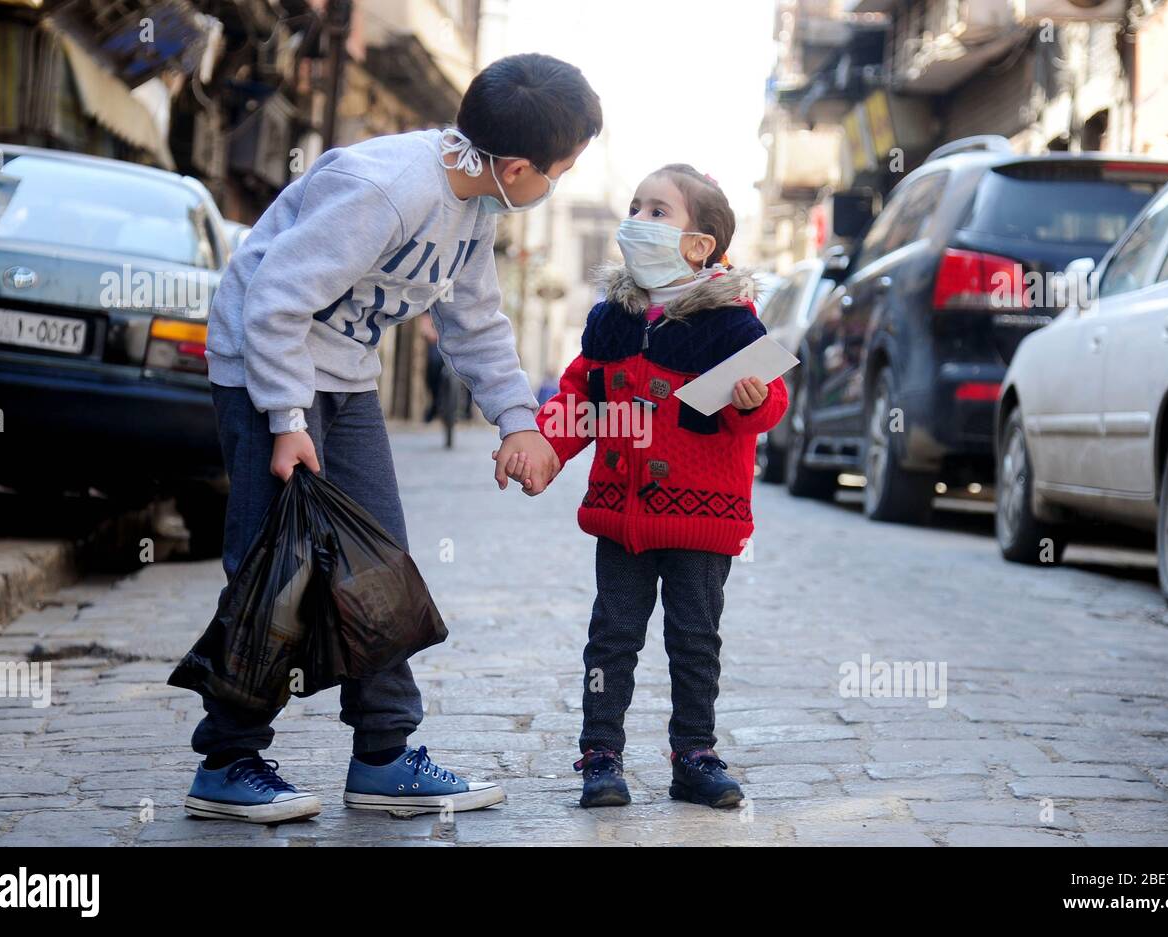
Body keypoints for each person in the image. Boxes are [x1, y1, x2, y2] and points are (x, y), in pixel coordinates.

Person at [183, 53, 602, 824]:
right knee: (274, 567)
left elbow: (475, 323)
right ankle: (227, 759)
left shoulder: (477, 208)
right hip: (263, 372)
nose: (555, 188)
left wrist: (518, 420)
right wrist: (285, 420)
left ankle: (382, 755)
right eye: (559, 173)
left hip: (343, 375)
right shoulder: (386, 189)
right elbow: (273, 298)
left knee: (378, 563)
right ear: (516, 166)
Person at [510, 165, 788, 808]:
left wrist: (748, 401)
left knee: (694, 638)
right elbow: (581, 393)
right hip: (620, 518)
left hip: (701, 523)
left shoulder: (731, 323)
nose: (639, 218)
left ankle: (694, 754)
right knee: (612, 637)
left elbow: (771, 401)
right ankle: (600, 755)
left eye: (659, 210)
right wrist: (546, 448)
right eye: (635, 206)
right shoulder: (612, 319)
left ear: (700, 244)